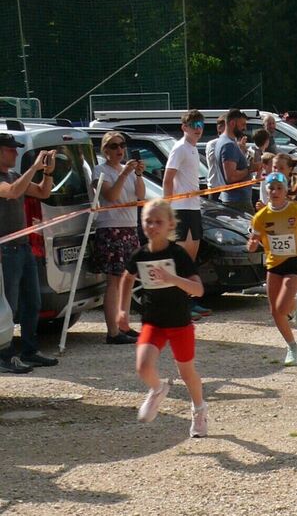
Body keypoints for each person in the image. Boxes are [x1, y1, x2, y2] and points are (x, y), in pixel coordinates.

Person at [119, 199, 207, 437]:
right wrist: (122, 310)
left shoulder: (177, 254)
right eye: (148, 221)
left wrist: (172, 279)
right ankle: (158, 389)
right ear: (141, 223)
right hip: (153, 321)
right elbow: (127, 278)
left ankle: (199, 409)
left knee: (187, 372)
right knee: (142, 366)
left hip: (179, 322)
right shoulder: (140, 254)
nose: (153, 226)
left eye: (158, 221)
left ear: (170, 225)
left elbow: (198, 290)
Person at [0, 139, 58, 374]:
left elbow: (43, 192)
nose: (15, 152)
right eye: (10, 149)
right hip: (6, 251)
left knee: (32, 302)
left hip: (22, 248)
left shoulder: (14, 175)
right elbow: (13, 193)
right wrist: (33, 168)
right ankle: (5, 354)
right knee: (8, 306)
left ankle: (29, 350)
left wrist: (48, 172)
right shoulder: (7, 181)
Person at [248, 172, 297, 367]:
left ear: (286, 190)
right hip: (273, 264)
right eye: (271, 188)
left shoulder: (296, 210)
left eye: (279, 188)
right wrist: (252, 245)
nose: (275, 191)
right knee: (275, 312)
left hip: (294, 262)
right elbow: (254, 239)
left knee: (282, 307)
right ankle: (293, 346)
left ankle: (296, 301)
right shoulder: (260, 216)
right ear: (266, 191)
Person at [94, 131, 146, 345]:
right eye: (114, 146)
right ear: (105, 150)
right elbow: (111, 196)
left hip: (129, 227)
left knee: (128, 279)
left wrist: (139, 174)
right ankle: (112, 331)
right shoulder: (101, 171)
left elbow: (140, 195)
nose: (119, 150)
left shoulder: (129, 171)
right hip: (111, 228)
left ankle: (123, 324)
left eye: (121, 146)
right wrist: (125, 173)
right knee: (114, 281)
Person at [165, 112, 207, 316]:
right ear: (184, 127)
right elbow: (168, 178)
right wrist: (167, 208)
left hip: (194, 208)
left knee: (190, 259)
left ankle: (189, 301)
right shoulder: (180, 147)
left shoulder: (191, 149)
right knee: (181, 259)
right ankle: (178, 304)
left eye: (200, 124)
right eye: (193, 124)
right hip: (181, 208)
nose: (198, 128)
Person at [217, 109, 260, 214]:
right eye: (242, 124)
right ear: (232, 123)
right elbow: (230, 177)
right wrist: (250, 169)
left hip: (234, 200)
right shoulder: (229, 145)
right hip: (238, 203)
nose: (244, 128)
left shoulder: (225, 141)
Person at [204, 114, 226, 201]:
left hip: (230, 189)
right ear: (219, 128)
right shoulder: (212, 144)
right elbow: (215, 160)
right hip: (215, 188)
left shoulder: (235, 143)